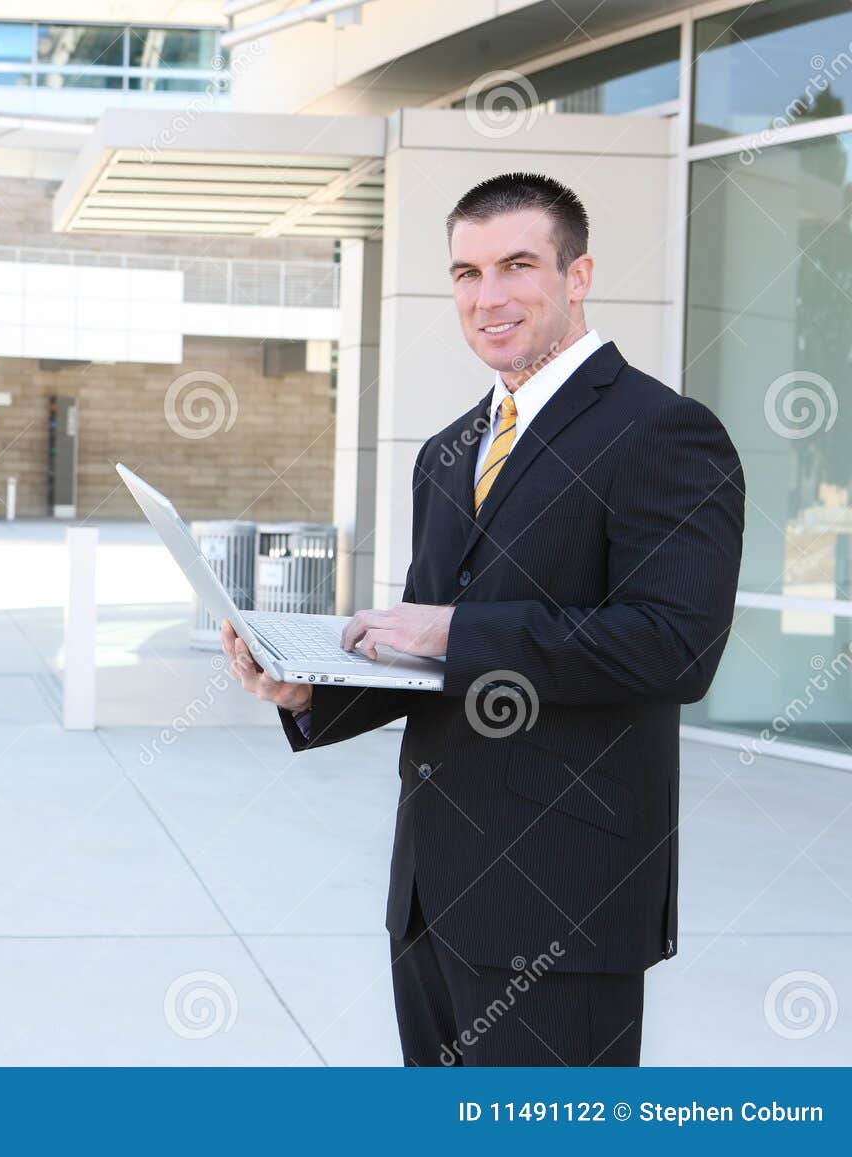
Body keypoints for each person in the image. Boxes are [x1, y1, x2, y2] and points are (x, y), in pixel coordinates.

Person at [223, 173, 745, 1066]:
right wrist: (312, 690)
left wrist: (457, 631)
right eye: (466, 273)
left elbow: (674, 647)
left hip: (564, 902)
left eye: (516, 265)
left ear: (578, 276)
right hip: (431, 892)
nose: (487, 297)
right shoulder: (447, 452)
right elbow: (431, 660)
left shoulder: (664, 430)